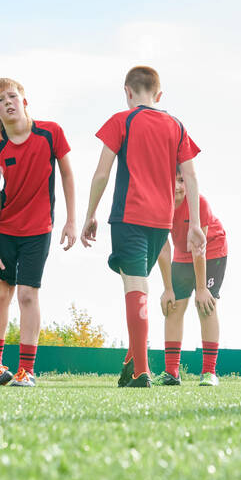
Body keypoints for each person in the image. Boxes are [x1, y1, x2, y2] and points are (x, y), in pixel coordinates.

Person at [80, 66, 205, 388]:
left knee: (135, 289)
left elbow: (102, 174)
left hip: (129, 217)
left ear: (127, 92)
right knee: (137, 284)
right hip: (161, 222)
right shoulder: (176, 125)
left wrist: (89, 214)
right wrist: (195, 225)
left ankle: (141, 372)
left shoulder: (122, 120)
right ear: (159, 95)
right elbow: (190, 176)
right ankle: (131, 364)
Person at [0, 78, 78, 387]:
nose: (7, 102)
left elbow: (67, 174)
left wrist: (71, 220)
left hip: (38, 230)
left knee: (27, 295)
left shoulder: (51, 133)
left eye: (12, 96)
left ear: (24, 101)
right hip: (5, 231)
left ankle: (26, 371)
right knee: (0, 293)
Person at [154, 171, 227, 386]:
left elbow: (199, 248)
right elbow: (162, 248)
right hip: (181, 253)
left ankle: (209, 372)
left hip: (211, 250)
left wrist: (202, 288)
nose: (177, 186)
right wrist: (168, 288)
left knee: (205, 306)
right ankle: (171, 373)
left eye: (181, 180)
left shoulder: (199, 203)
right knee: (174, 306)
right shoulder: (158, 205)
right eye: (171, 180)